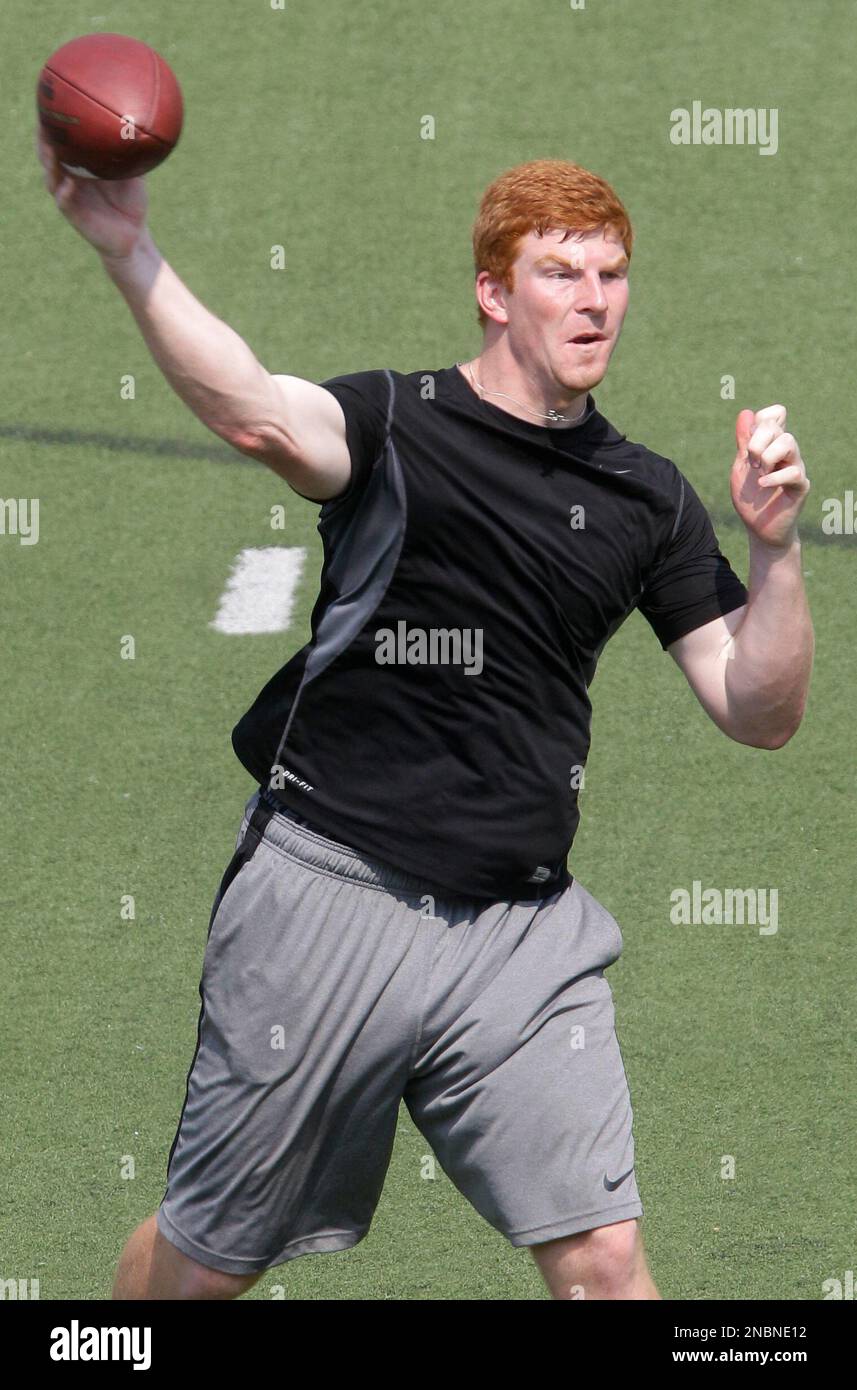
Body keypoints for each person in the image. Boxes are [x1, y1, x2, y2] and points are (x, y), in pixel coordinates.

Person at [38, 139, 813, 1300]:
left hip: (518, 935)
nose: (592, 301)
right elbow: (255, 412)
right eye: (560, 273)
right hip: (330, 895)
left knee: (605, 1262)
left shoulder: (644, 497)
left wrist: (773, 545)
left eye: (609, 274)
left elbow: (756, 711)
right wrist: (129, 248)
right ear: (493, 292)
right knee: (197, 1271)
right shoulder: (395, 423)